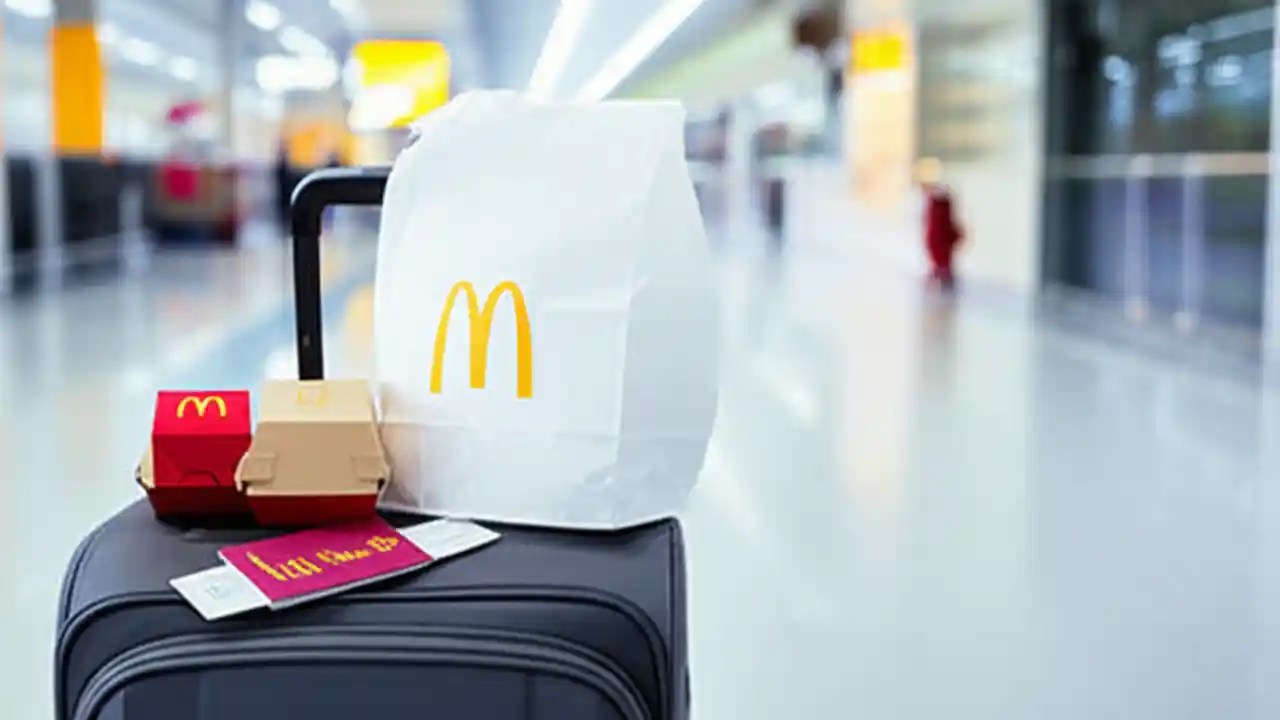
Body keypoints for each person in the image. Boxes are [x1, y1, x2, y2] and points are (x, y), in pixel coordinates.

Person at [916, 158, 964, 288]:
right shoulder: (934, 199)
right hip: (938, 240)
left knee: (941, 257)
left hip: (940, 240)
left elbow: (943, 224)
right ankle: (941, 274)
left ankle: (943, 275)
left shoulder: (940, 200)